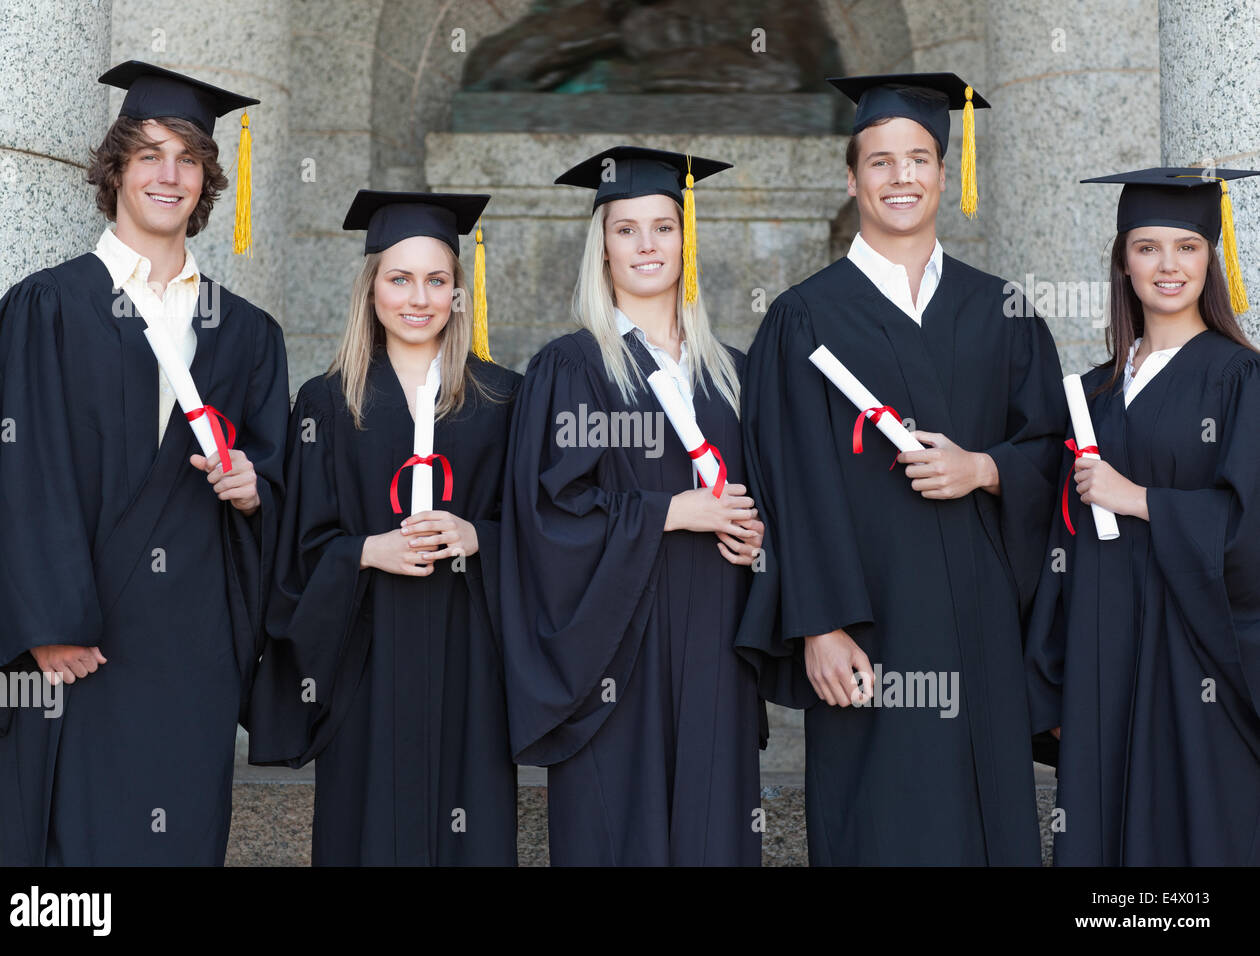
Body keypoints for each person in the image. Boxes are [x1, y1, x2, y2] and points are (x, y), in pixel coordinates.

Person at [0, 61, 289, 865]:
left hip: (191, 652)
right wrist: (44, 627)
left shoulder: (245, 333)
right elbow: (9, 473)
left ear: (209, 180)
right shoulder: (47, 307)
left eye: (187, 157)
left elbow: (283, 484)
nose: (168, 174)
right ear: (115, 172)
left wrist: (254, 493)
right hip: (71, 648)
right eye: (147, 154)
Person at [736, 73, 1068, 865]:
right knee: (878, 822)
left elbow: (1057, 449)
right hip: (867, 629)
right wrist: (817, 622)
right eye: (879, 162)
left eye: (919, 158)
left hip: (982, 627)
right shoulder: (802, 317)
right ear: (851, 179)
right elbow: (787, 483)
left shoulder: (1003, 311)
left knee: (986, 821)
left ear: (945, 174)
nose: (901, 177)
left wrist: (986, 468)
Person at [500, 146, 766, 865]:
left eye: (663, 227)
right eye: (626, 229)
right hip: (614, 654)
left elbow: (769, 507)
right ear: (603, 249)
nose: (647, 244)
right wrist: (670, 512)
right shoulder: (571, 365)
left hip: (716, 644)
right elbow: (545, 516)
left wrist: (756, 541)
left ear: (688, 241)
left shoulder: (734, 375)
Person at [248, 191, 520, 865]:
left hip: (470, 658)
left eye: (437, 280)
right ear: (371, 290)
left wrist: (481, 536)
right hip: (364, 661)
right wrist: (366, 550)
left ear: (460, 292)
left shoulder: (503, 400)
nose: (418, 298)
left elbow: (547, 533)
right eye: (399, 279)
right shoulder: (326, 403)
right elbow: (295, 551)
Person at [1025, 167, 1260, 865]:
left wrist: (1139, 500)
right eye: (1148, 247)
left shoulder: (1239, 378)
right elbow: (1058, 544)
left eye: (1187, 247)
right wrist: (1057, 669)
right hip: (1103, 651)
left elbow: (1252, 530)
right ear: (1123, 261)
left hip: (1195, 656)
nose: (1168, 266)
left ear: (1212, 261)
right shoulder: (1095, 391)